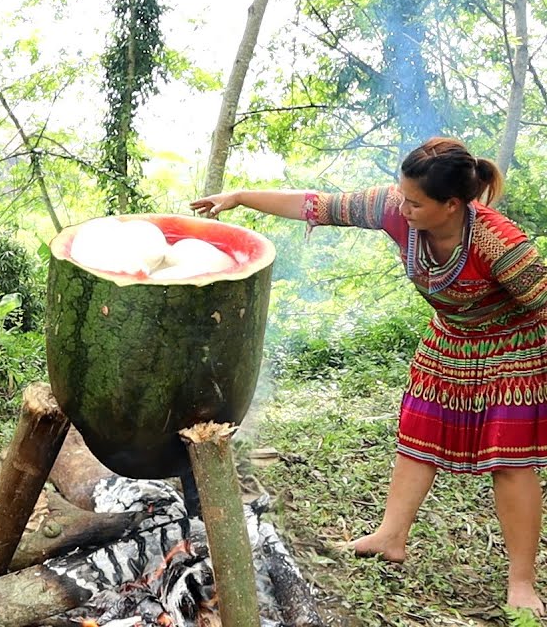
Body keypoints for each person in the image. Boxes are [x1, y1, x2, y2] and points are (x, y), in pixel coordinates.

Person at [191, 137, 547, 615]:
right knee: (417, 438)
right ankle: (390, 537)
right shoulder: (396, 207)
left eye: (415, 203)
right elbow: (317, 204)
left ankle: (521, 582)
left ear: (452, 205)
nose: (402, 208)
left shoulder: (500, 244)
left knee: (508, 462)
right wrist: (239, 196)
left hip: (513, 347)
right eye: (402, 196)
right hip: (450, 339)